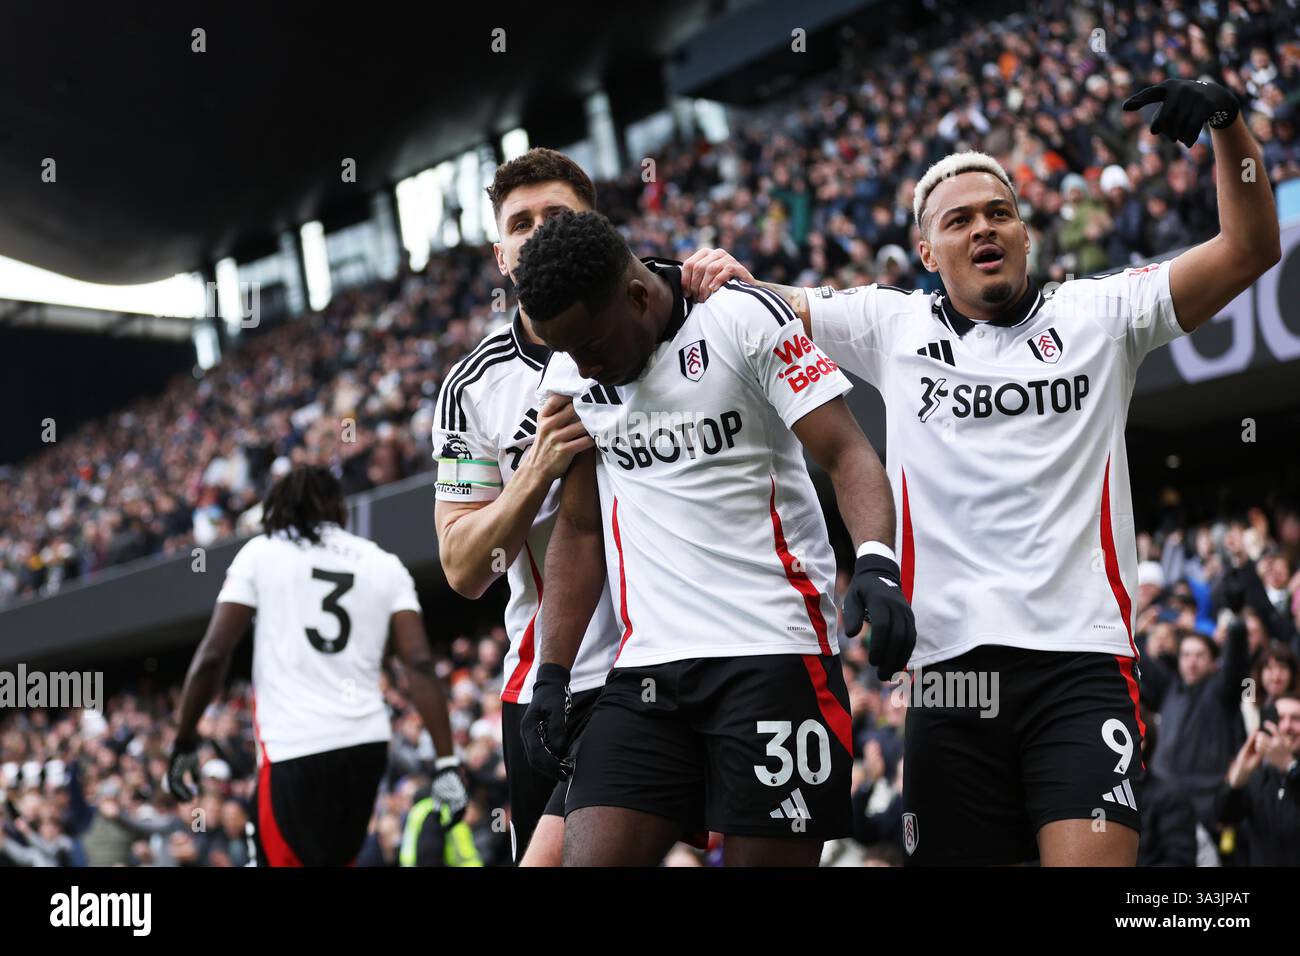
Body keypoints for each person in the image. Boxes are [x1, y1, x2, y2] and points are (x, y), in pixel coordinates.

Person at [685, 78, 1281, 865]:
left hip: (1080, 666)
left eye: (999, 213)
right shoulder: (889, 324)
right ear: (928, 253)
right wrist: (709, 272)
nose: (983, 228)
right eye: (958, 220)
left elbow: (1250, 249)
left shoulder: (1101, 316)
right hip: (947, 680)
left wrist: (1229, 126)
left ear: (1026, 235)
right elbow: (753, 303)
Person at [516, 210, 915, 866]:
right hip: (646, 671)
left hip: (773, 654)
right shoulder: (571, 373)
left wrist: (875, 561)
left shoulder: (741, 317)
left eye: (588, 345)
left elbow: (846, 452)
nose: (579, 366)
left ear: (637, 297)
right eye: (564, 352)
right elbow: (581, 527)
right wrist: (552, 672)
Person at [433, 147, 751, 865]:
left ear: (597, 228)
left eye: (558, 216)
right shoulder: (474, 387)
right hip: (548, 684)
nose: (538, 232)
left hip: (667, 665)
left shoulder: (676, 306)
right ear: (500, 254)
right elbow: (464, 569)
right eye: (521, 223)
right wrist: (534, 472)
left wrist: (747, 287)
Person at [165, 465, 467, 867]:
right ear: (338, 507)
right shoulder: (384, 563)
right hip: (365, 746)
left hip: (295, 747)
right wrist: (447, 763)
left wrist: (185, 738)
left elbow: (213, 656)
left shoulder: (261, 552)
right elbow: (420, 664)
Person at [1215, 693, 1300, 866]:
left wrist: (1289, 765)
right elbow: (1224, 816)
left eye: (1296, 719)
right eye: (1279, 718)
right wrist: (1239, 776)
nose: (1286, 726)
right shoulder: (1259, 776)